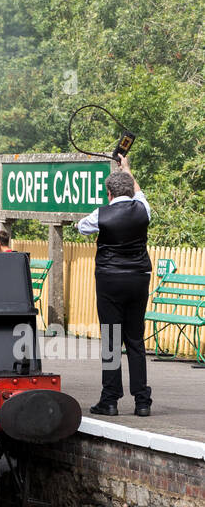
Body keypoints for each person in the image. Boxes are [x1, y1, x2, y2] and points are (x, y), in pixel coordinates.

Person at [76, 154, 152, 418]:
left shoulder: (101, 214)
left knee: (111, 340)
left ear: (108, 192)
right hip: (139, 278)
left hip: (109, 280)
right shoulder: (143, 209)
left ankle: (110, 400)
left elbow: (81, 228)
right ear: (131, 190)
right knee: (135, 339)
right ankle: (142, 401)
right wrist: (128, 169)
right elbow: (139, 192)